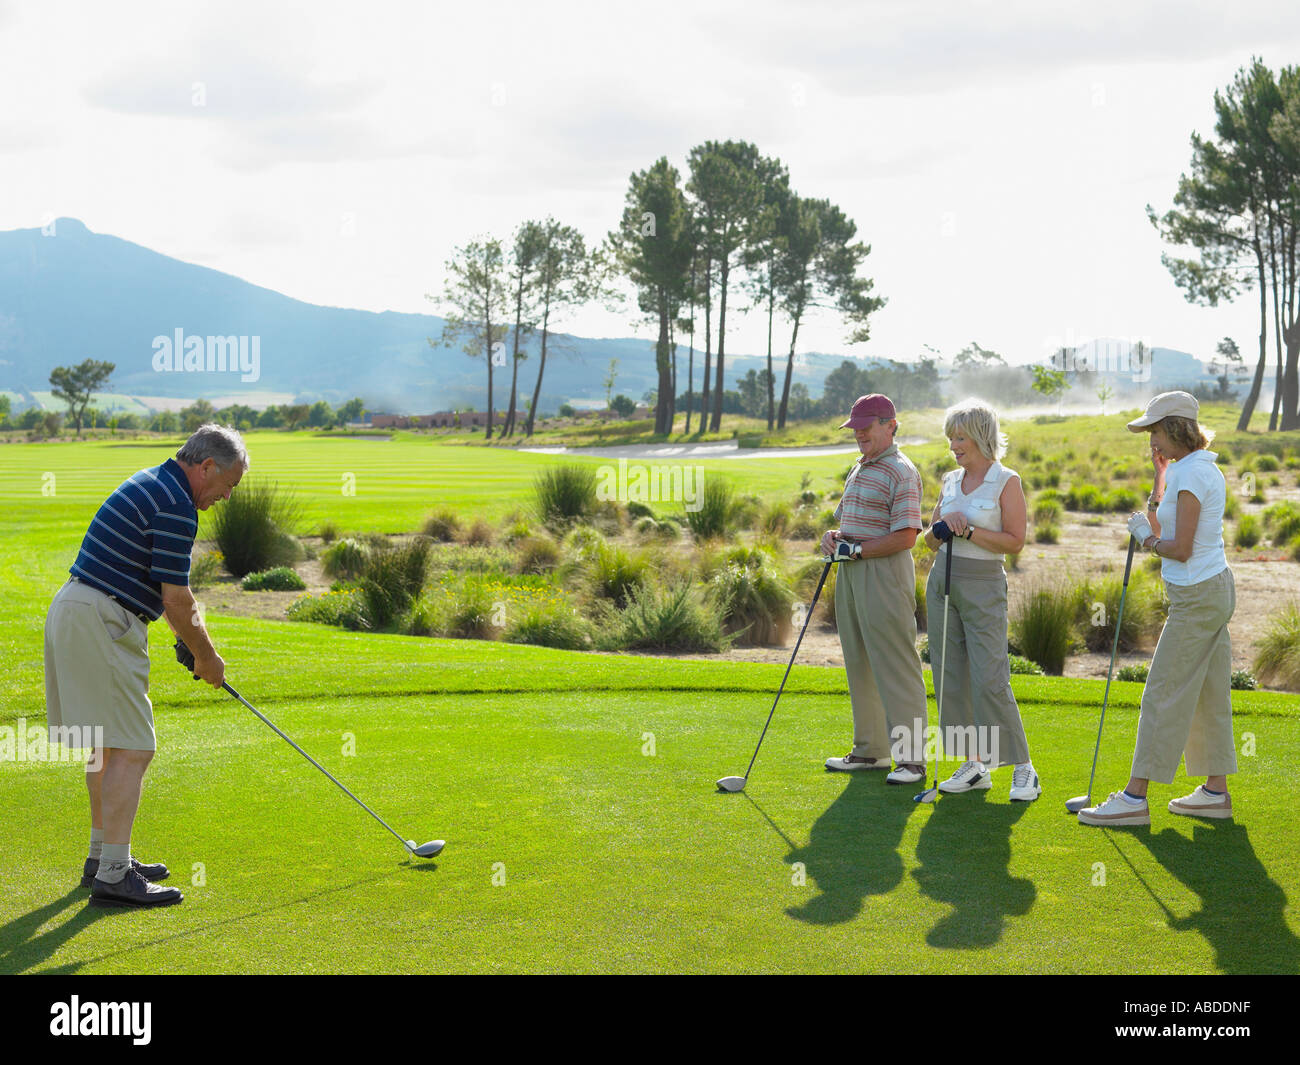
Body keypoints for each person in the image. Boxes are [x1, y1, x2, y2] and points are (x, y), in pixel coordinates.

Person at [44, 424, 247, 907]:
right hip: (102, 618)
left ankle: (103, 859)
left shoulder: (153, 482)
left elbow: (158, 587)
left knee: (106, 747)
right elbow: (177, 598)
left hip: (78, 608)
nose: (226, 496)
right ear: (206, 468)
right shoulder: (177, 505)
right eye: (228, 485)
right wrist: (206, 657)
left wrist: (185, 640)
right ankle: (114, 873)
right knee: (134, 747)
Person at [1078, 392, 1235, 827]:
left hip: (1197, 598)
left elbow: (1178, 548)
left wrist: (1145, 541)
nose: (1152, 440)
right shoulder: (1191, 470)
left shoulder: (1193, 475)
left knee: (1161, 693)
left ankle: (1134, 797)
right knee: (1207, 694)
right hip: (1209, 593)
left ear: (1177, 428)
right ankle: (1215, 791)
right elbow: (1166, 522)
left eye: (1156, 431)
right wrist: (1157, 481)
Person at [922, 400, 1040, 801]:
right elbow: (928, 540)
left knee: (989, 677)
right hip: (943, 582)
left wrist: (968, 531)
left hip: (984, 584)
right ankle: (975, 764)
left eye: (961, 437)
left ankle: (1024, 767)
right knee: (950, 675)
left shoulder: (1006, 481)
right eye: (951, 438)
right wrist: (942, 527)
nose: (954, 445)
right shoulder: (950, 480)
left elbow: (1015, 541)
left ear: (982, 437)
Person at [821, 394, 928, 784]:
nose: (860, 434)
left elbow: (906, 537)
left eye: (867, 426)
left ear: (890, 425)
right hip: (851, 571)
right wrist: (833, 538)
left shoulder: (901, 470)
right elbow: (847, 523)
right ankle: (870, 752)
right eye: (856, 428)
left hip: (883, 573)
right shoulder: (861, 466)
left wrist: (858, 550)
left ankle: (912, 760)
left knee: (896, 664)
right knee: (860, 662)